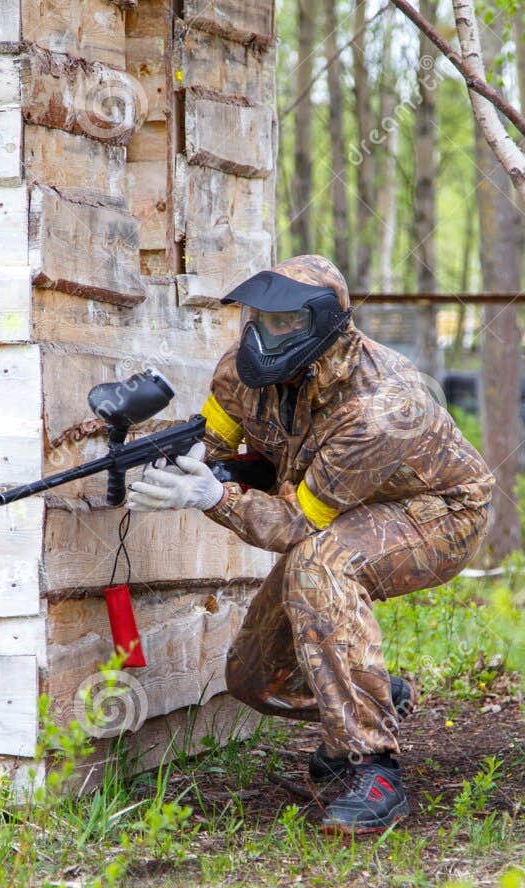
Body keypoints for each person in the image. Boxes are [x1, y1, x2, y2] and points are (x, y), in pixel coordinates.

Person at [126, 255, 493, 834]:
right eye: (256, 317)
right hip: (339, 503)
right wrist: (162, 461)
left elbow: (300, 525)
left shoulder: (384, 406)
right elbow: (214, 449)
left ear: (324, 325)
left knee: (321, 564)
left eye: (282, 322)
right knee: (254, 677)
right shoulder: (241, 372)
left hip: (439, 513)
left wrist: (211, 499)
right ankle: (377, 693)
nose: (261, 334)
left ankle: (373, 767)